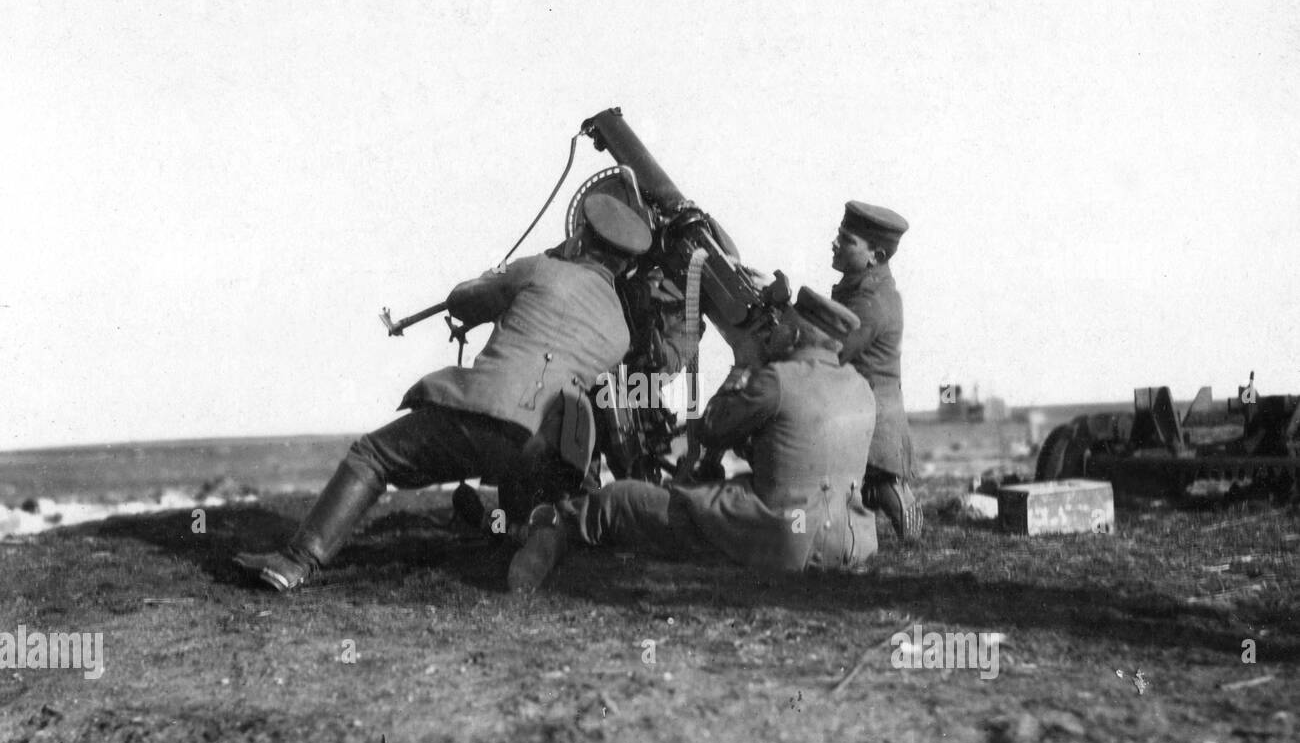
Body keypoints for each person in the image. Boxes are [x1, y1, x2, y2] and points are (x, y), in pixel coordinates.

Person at [233, 193, 652, 592]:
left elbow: (464, 300)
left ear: (578, 236)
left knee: (372, 456)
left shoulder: (541, 268)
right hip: (548, 445)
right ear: (625, 264)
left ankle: (296, 561)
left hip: (489, 413)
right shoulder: (619, 330)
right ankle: (535, 532)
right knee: (525, 490)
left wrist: (504, 279)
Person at [507, 287, 879, 592]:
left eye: (783, 327)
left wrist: (742, 366)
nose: (775, 331)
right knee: (703, 493)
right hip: (849, 544)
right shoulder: (861, 387)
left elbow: (715, 425)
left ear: (795, 335)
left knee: (619, 499)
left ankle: (548, 531)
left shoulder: (777, 380)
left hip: (781, 542)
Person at [830, 201, 923, 543]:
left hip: (874, 419)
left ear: (876, 256)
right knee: (876, 488)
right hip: (867, 411)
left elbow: (832, 349)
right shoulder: (862, 289)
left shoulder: (870, 301)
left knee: (889, 488)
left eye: (847, 239)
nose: (836, 243)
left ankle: (914, 541)